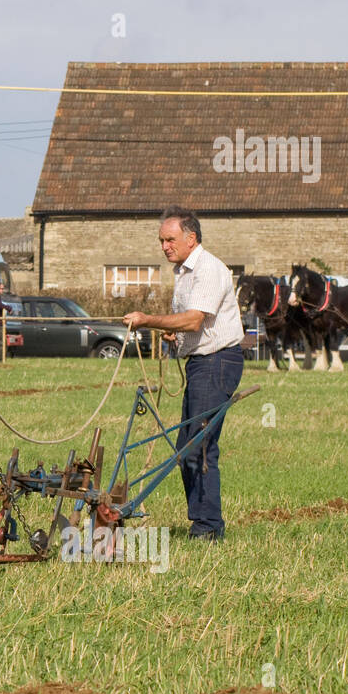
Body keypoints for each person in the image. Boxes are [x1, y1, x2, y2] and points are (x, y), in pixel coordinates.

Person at [124, 206, 244, 541]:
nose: (164, 246)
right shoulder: (184, 272)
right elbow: (191, 326)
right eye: (161, 240)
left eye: (170, 239)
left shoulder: (209, 269)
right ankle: (203, 521)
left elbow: (193, 320)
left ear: (191, 238)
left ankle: (207, 528)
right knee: (186, 447)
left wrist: (148, 319)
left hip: (218, 362)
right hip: (201, 362)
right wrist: (173, 335)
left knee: (199, 447)